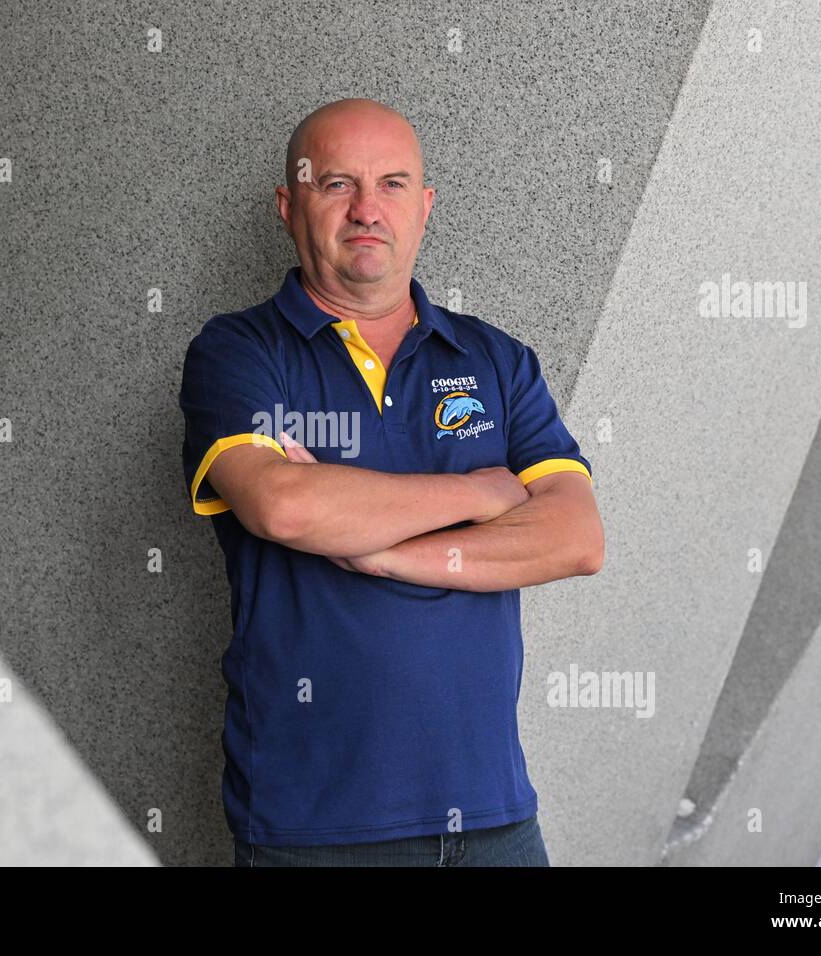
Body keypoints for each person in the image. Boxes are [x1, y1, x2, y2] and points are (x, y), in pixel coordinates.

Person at [178, 98, 604, 866]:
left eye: (393, 184)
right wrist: (482, 492)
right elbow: (285, 504)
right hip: (317, 828)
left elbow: (576, 538)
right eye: (336, 183)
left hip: (494, 818)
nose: (367, 209)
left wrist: (383, 552)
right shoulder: (239, 352)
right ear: (288, 206)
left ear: (425, 206)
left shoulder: (496, 361)